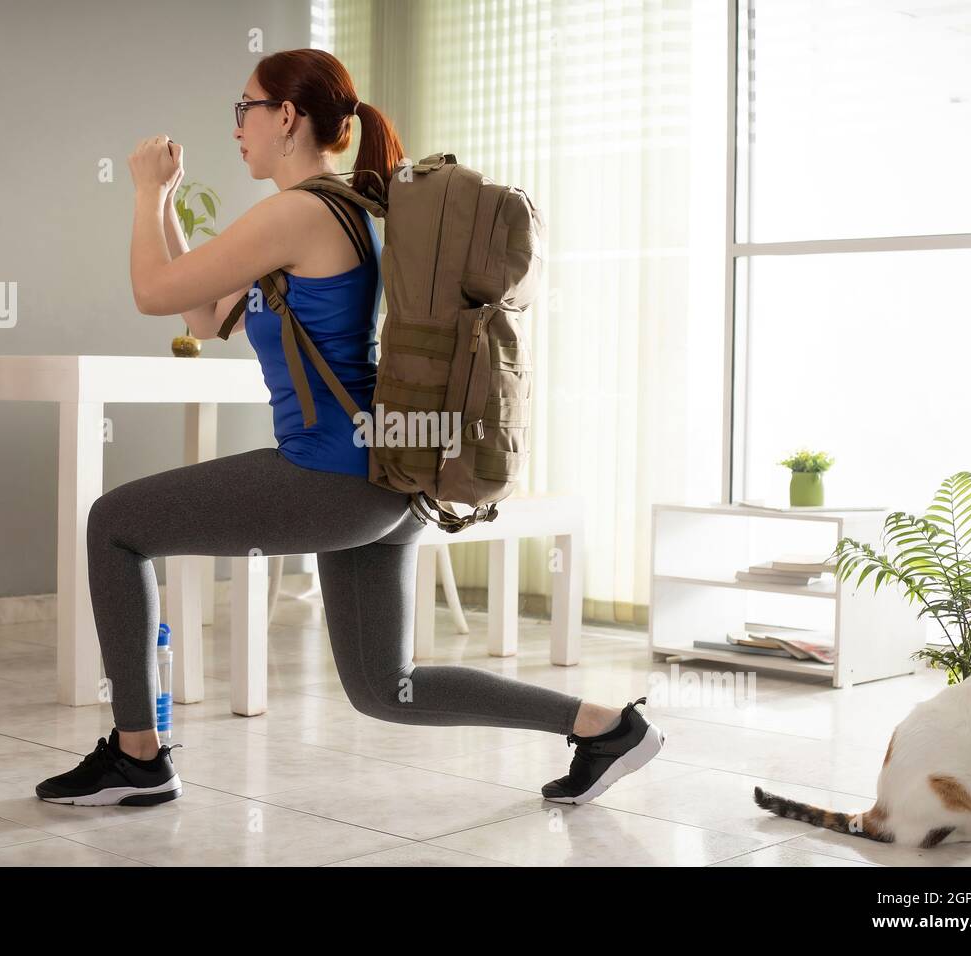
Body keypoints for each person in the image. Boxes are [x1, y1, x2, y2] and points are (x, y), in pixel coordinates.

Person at [35, 48, 664, 809]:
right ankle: (604, 728)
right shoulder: (350, 209)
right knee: (386, 688)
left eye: (246, 109)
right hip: (381, 478)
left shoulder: (297, 214)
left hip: (329, 476)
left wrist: (140, 193)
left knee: (113, 523)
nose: (237, 127)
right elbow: (199, 314)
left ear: (289, 119)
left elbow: (149, 293)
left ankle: (138, 756)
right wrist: (166, 201)